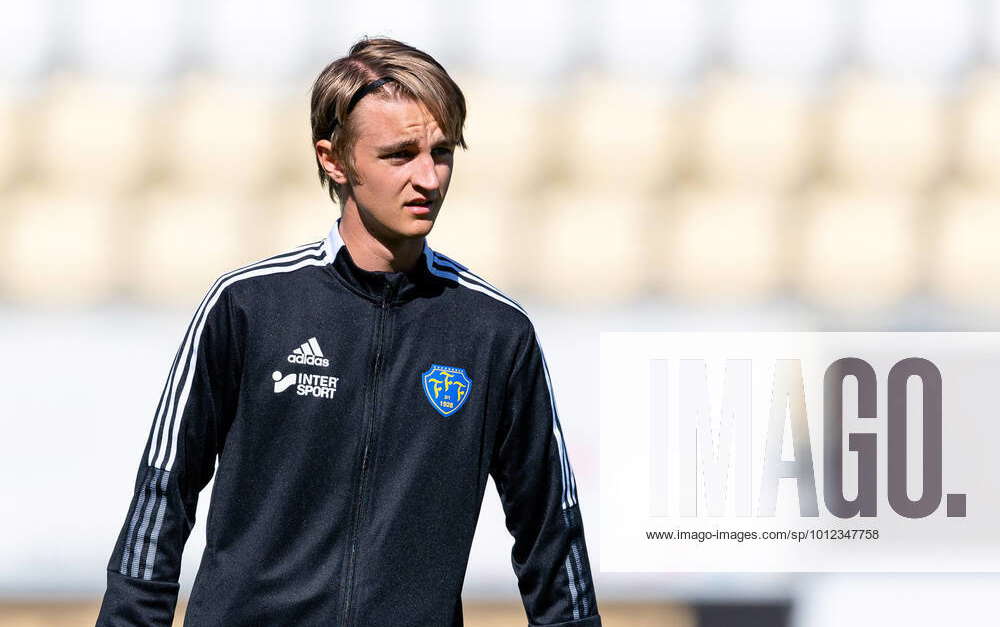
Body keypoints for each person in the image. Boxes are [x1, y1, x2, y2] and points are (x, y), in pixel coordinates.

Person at [96, 37, 601, 626]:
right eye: (399, 155)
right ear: (334, 159)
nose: (428, 178)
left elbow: (550, 527)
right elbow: (163, 491)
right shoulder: (249, 306)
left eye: (441, 153)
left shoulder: (494, 333)